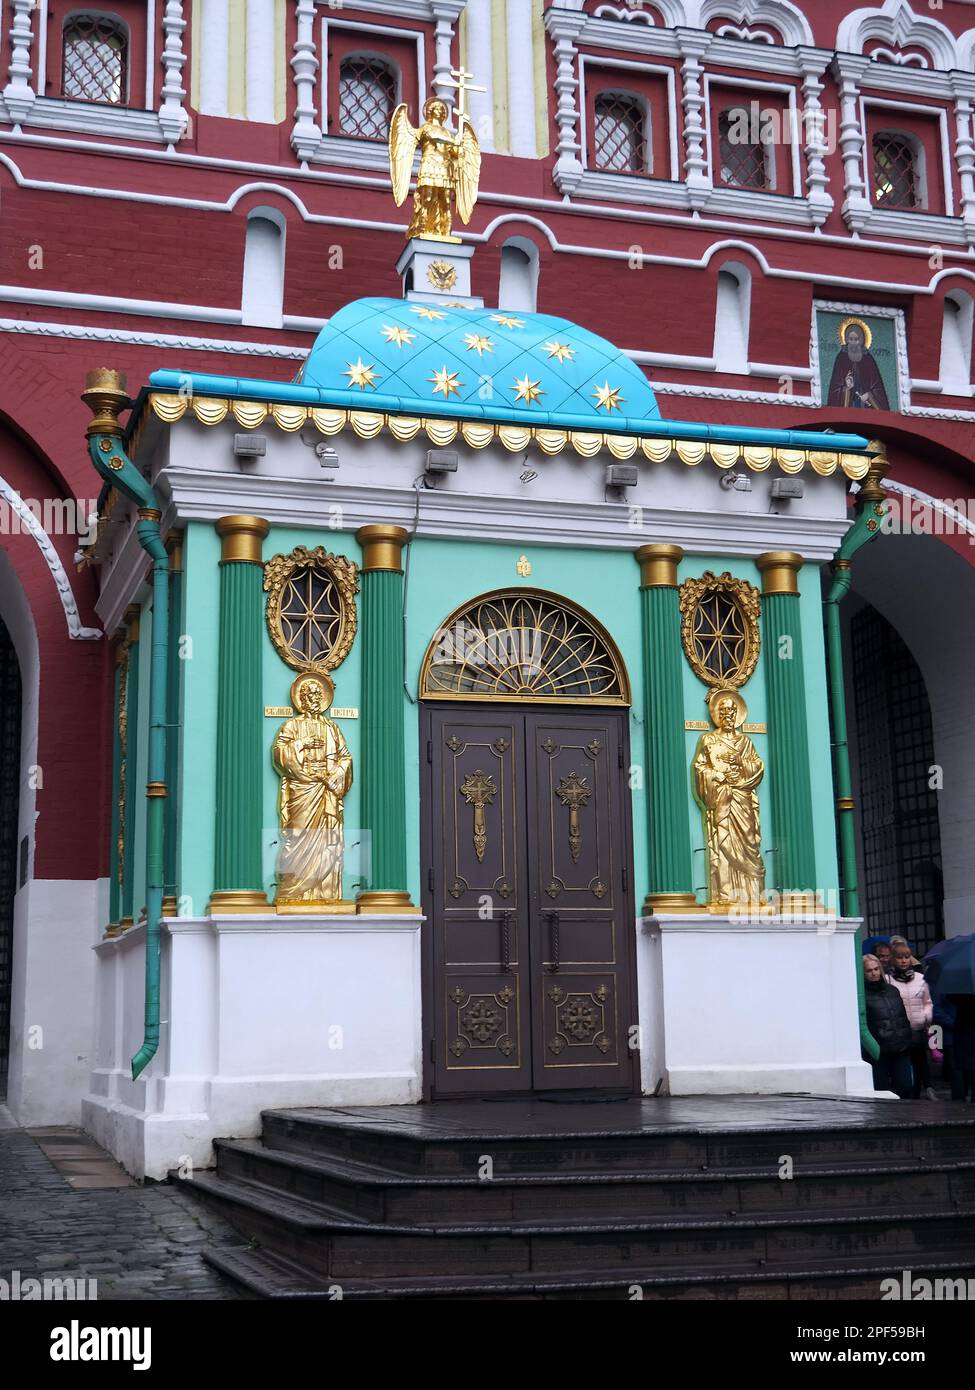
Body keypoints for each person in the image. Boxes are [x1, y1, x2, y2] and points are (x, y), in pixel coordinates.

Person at [885, 942, 934, 1099]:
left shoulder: (921, 979)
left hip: (918, 1027)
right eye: (900, 958)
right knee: (904, 1063)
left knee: (920, 1061)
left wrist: (926, 1016)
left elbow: (927, 1002)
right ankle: (907, 1093)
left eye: (907, 957)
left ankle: (920, 1091)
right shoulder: (888, 980)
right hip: (899, 1029)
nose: (904, 961)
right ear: (893, 959)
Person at [863, 954, 913, 1098]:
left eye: (876, 969)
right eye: (869, 970)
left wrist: (907, 1037)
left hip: (900, 1047)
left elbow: (902, 1016)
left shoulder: (892, 990)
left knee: (905, 1086)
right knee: (881, 1089)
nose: (874, 973)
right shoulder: (862, 995)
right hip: (878, 1050)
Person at [827, 319, 890, 410]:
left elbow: (878, 387)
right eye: (850, 339)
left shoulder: (868, 359)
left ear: (861, 341)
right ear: (846, 340)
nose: (853, 343)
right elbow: (835, 389)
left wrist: (869, 395)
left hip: (866, 405)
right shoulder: (841, 358)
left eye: (856, 339)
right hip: (849, 406)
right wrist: (847, 388)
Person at [947, 994, 975, 1102]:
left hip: (962, 1032)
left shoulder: (958, 993)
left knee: (962, 1065)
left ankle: (960, 1097)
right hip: (964, 1032)